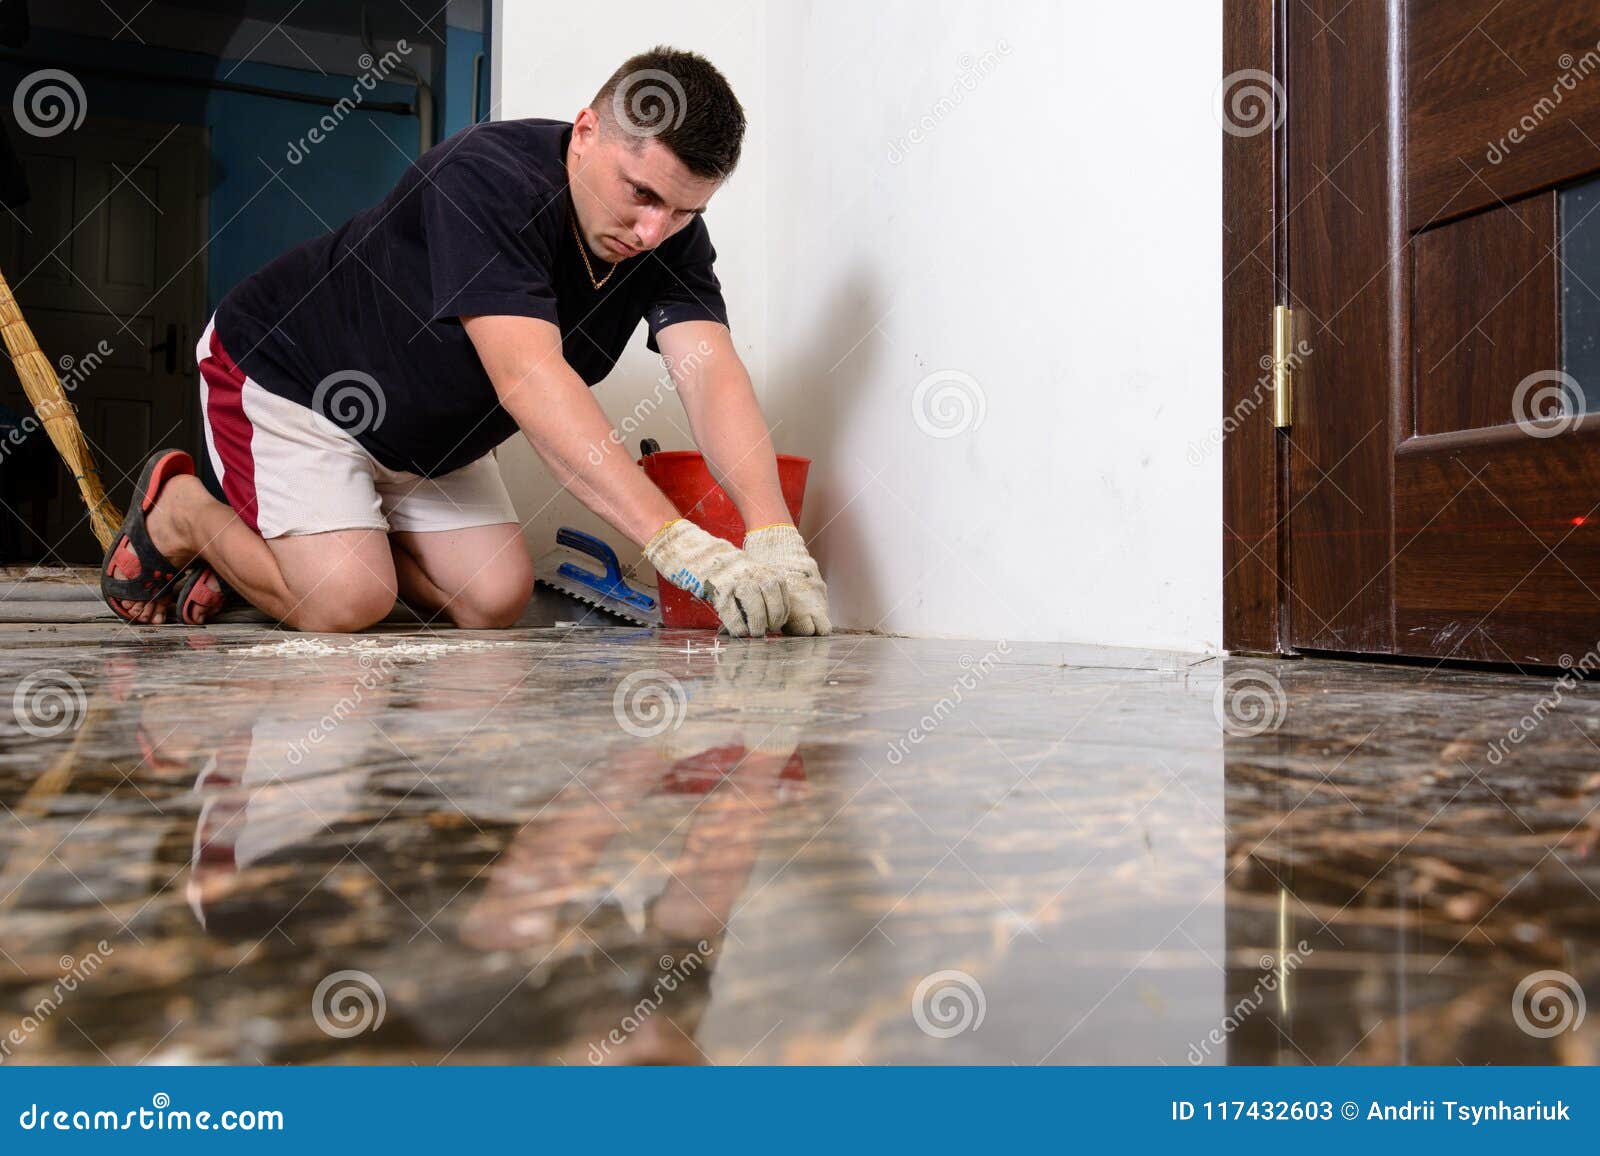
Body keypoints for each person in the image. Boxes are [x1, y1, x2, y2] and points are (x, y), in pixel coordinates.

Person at [98, 45, 830, 637]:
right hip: (294, 378)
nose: (653, 233)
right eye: (641, 193)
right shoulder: (488, 180)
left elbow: (710, 372)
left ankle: (299, 551)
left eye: (683, 210)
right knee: (348, 603)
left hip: (427, 439)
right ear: (584, 133)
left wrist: (772, 531)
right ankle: (187, 510)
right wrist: (671, 542)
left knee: (495, 601)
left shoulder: (669, 234)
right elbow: (530, 379)